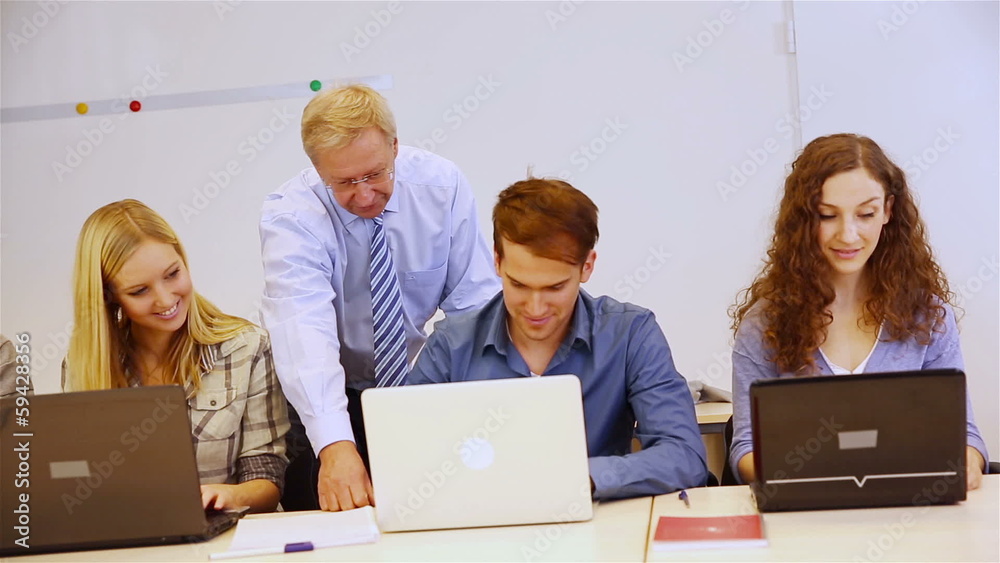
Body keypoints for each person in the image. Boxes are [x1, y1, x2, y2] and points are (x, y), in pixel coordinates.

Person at [259, 84, 500, 511]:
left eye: (374, 174)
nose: (365, 195)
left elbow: (475, 309)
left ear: (394, 145)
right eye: (344, 182)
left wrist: (482, 411)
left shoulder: (441, 187)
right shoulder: (290, 217)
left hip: (420, 386)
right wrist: (335, 446)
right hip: (331, 396)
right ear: (317, 170)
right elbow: (304, 335)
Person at [407, 177, 709, 499]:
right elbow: (405, 455)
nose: (535, 309)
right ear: (497, 261)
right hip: (479, 529)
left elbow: (684, 456)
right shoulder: (451, 344)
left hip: (600, 529)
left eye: (555, 288)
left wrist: (581, 479)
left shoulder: (630, 333)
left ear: (587, 267)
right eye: (519, 285)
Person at [729, 133, 989, 490]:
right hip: (806, 523)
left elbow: (967, 436)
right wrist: (817, 477)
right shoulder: (765, 324)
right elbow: (746, 448)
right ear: (804, 220)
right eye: (827, 216)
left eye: (865, 213)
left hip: (910, 519)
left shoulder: (927, 315)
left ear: (888, 211)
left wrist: (966, 462)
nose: (848, 235)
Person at [64, 199, 289, 512]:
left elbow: (267, 475)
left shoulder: (246, 348)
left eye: (172, 274)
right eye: (139, 291)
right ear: (108, 297)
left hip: (231, 538)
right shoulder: (81, 368)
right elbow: (76, 479)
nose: (165, 298)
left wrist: (228, 496)